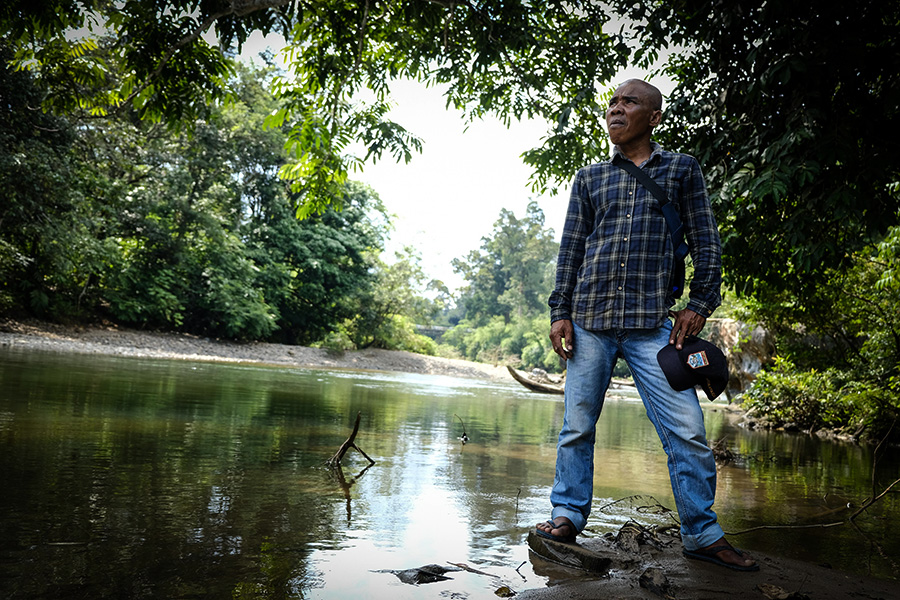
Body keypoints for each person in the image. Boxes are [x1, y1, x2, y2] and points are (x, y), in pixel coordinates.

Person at [534, 79, 758, 571]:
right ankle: (567, 515)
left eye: (628, 102)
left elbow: (706, 241)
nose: (616, 109)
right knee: (576, 427)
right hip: (589, 320)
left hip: (654, 327)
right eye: (612, 102)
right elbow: (571, 249)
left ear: (654, 116)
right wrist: (559, 313)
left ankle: (701, 533)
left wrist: (700, 302)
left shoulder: (681, 169)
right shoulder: (590, 177)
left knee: (688, 431)